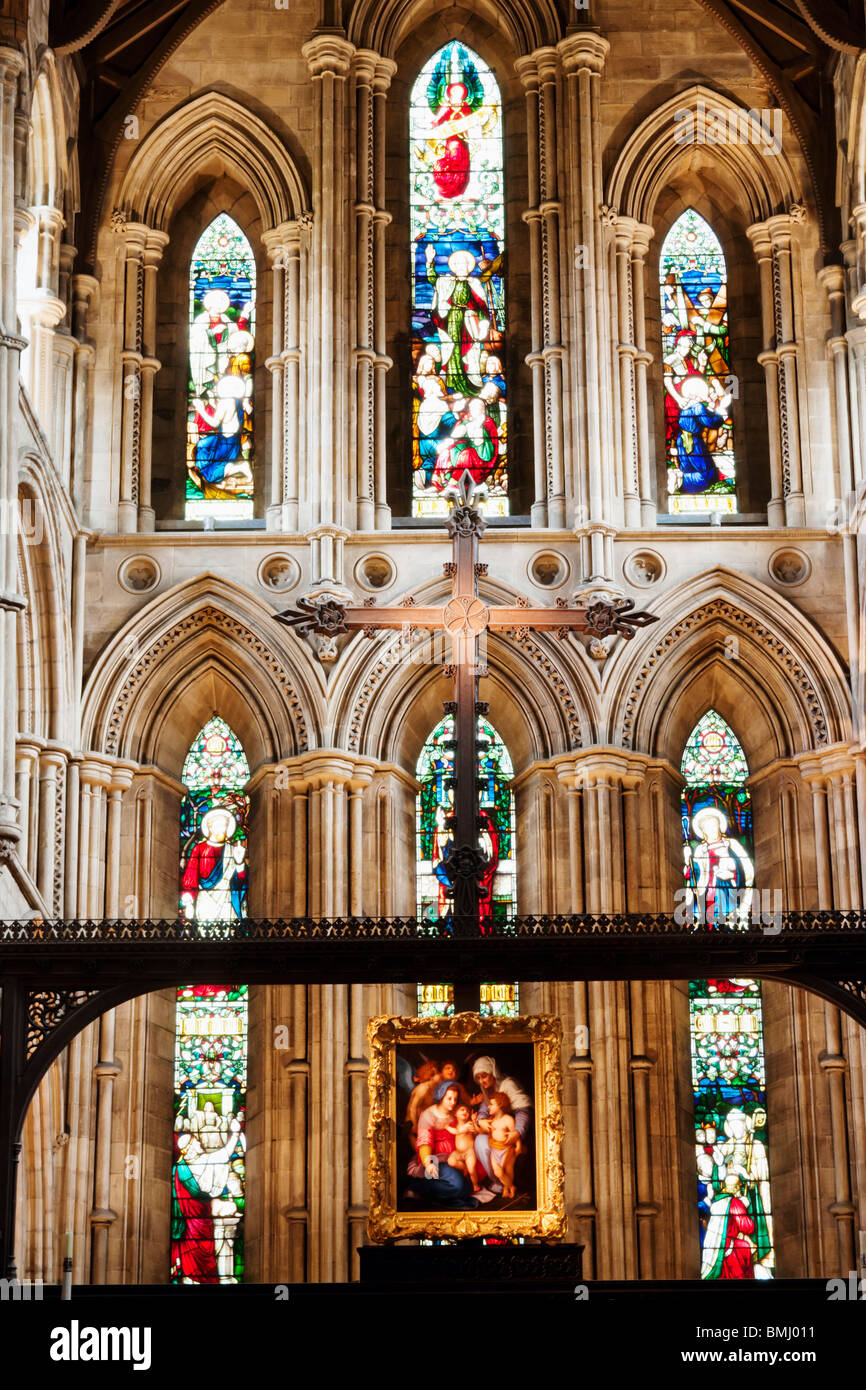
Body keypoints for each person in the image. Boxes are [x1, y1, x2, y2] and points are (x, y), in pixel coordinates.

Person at [404, 1081, 479, 1209]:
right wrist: (428, 1163)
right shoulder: (428, 1115)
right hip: (435, 1158)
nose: (453, 1102)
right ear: (441, 1097)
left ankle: (422, 1191)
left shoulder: (456, 1113)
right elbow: (424, 1141)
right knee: (457, 1186)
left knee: (466, 1186)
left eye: (455, 1099)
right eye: (449, 1098)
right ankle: (416, 1187)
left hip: (454, 1157)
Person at [471, 1055, 532, 1192]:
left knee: (509, 1164)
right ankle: (498, 1181)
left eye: (484, 1076)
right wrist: (480, 1120)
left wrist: (517, 1132)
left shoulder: (507, 1084)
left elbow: (523, 1111)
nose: (481, 1081)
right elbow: (483, 1108)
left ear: (493, 1073)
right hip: (496, 1140)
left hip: (510, 1137)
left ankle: (507, 1184)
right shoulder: (486, 1089)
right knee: (480, 1141)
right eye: (478, 1078)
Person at [688, 807, 753, 926]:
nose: (712, 830)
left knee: (728, 913)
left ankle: (731, 923)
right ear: (703, 831)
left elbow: (746, 868)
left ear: (719, 827)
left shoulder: (732, 844)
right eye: (708, 828)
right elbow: (694, 874)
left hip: (729, 888)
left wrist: (732, 874)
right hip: (708, 891)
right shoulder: (700, 850)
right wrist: (690, 865)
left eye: (714, 826)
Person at [181, 807, 247, 924]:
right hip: (205, 902)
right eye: (220, 825)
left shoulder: (232, 850)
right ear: (210, 827)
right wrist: (189, 903)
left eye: (225, 826)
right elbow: (190, 878)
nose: (223, 829)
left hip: (226, 902)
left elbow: (241, 882)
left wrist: (239, 862)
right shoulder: (199, 849)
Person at [477, 1092, 521, 1198]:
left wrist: (518, 1146)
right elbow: (481, 1131)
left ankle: (507, 1188)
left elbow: (515, 1135)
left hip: (507, 1149)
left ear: (500, 1104)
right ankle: (511, 1186)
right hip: (495, 1150)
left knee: (508, 1170)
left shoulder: (508, 1119)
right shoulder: (491, 1120)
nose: (488, 1107)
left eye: (491, 1104)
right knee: (498, 1172)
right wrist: (475, 1122)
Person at [446, 1103, 482, 1193]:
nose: (465, 1111)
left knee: (472, 1170)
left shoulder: (469, 1124)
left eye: (467, 1111)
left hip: (469, 1152)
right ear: (455, 1114)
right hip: (458, 1152)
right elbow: (455, 1130)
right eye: (462, 1110)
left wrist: (473, 1122)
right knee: (451, 1161)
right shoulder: (455, 1125)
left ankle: (475, 1185)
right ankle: (464, 1167)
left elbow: (458, 1132)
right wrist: (447, 1126)